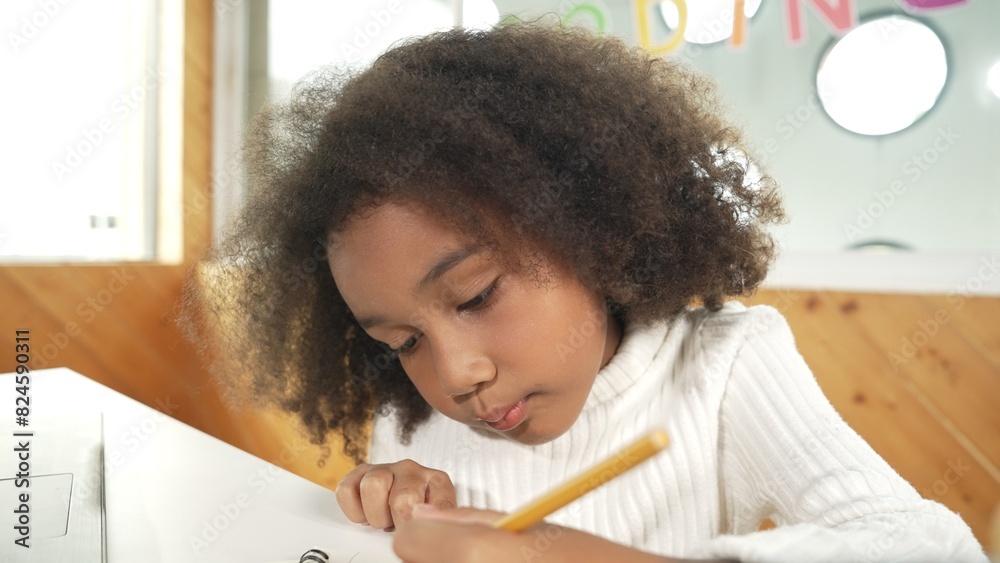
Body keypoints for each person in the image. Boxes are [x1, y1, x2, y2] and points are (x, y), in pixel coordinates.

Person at [186, 22, 987, 562]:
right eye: (403, 341)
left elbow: (933, 548)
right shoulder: (417, 410)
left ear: (590, 225)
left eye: (475, 294)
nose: (456, 373)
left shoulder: (725, 367)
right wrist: (383, 505)